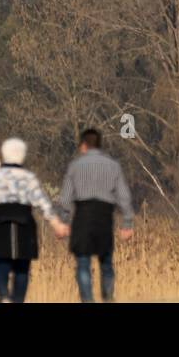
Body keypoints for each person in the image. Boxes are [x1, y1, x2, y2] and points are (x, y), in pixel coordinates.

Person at [0, 137, 69, 303]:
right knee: (22, 267)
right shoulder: (28, 177)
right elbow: (43, 203)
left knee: (0, 260)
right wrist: (57, 224)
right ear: (22, 155)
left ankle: (3, 295)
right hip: (24, 222)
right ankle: (18, 299)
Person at [57, 128, 134, 303]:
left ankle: (87, 299)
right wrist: (127, 223)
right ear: (99, 145)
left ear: (83, 145)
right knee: (106, 261)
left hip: (83, 215)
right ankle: (107, 298)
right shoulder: (113, 165)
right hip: (104, 215)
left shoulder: (75, 166)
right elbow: (123, 196)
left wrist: (63, 221)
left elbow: (65, 198)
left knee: (83, 262)